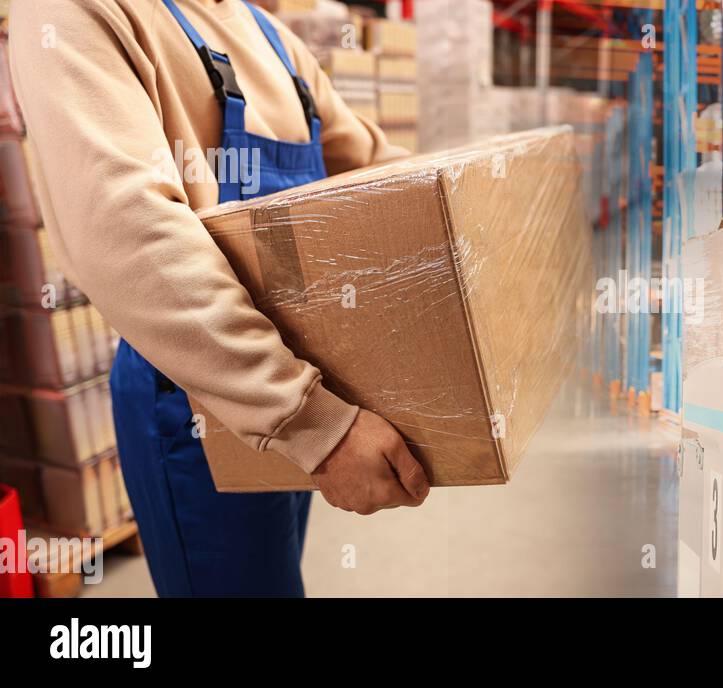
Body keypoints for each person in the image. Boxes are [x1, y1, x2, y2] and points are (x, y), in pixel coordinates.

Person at [8, 0, 431, 596]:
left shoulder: (268, 36)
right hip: (203, 398)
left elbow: (375, 172)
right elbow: (127, 229)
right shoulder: (76, 11)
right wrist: (314, 424)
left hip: (298, 380)